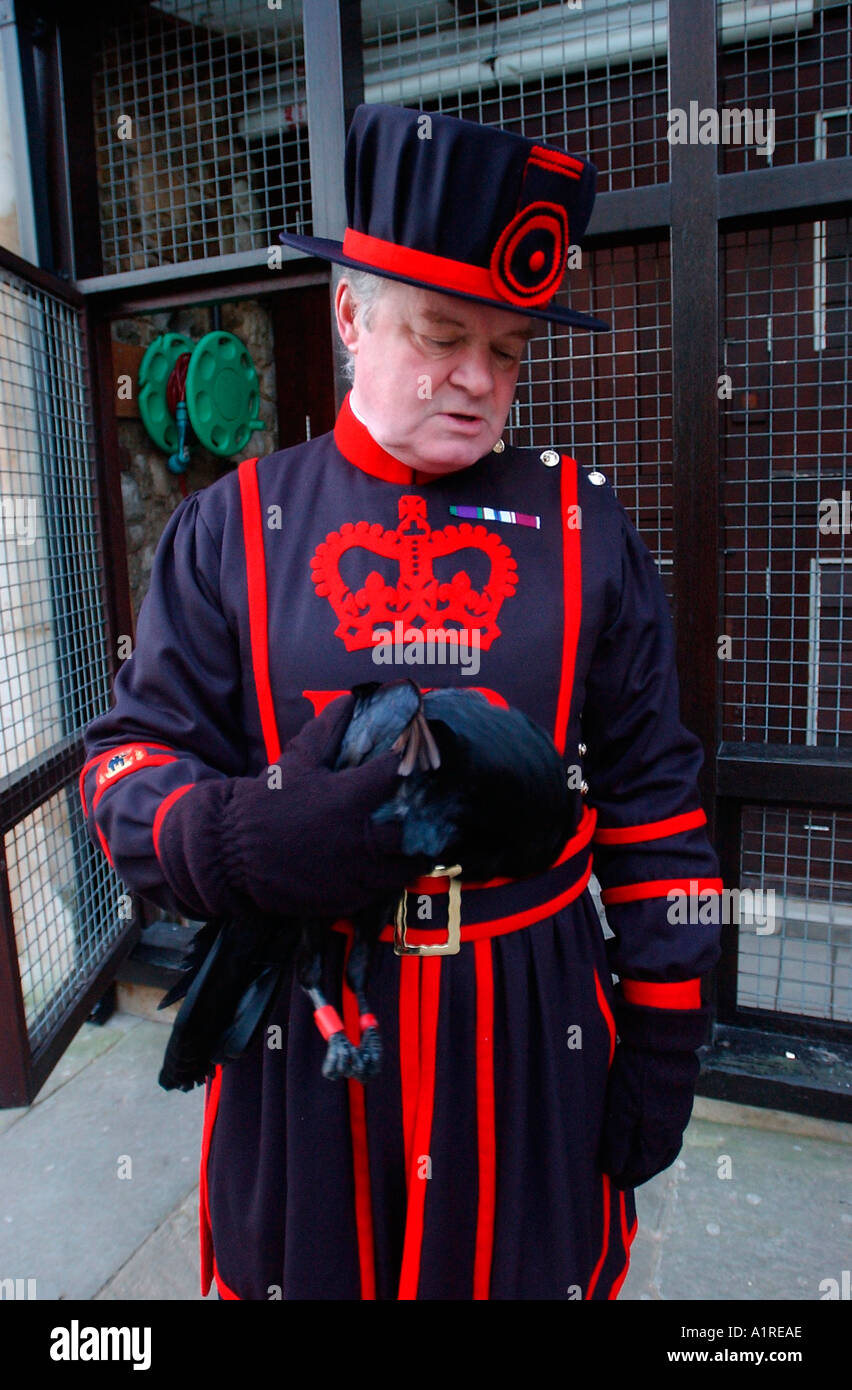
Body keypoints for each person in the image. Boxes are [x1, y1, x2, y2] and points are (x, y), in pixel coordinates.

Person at [80, 103, 723, 1301]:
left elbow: (658, 805)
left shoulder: (585, 528)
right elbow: (123, 768)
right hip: (308, 1028)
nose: (479, 381)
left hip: (530, 1025)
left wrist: (669, 1034)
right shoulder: (231, 529)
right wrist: (237, 835)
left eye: (510, 350)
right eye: (441, 336)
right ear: (347, 313)